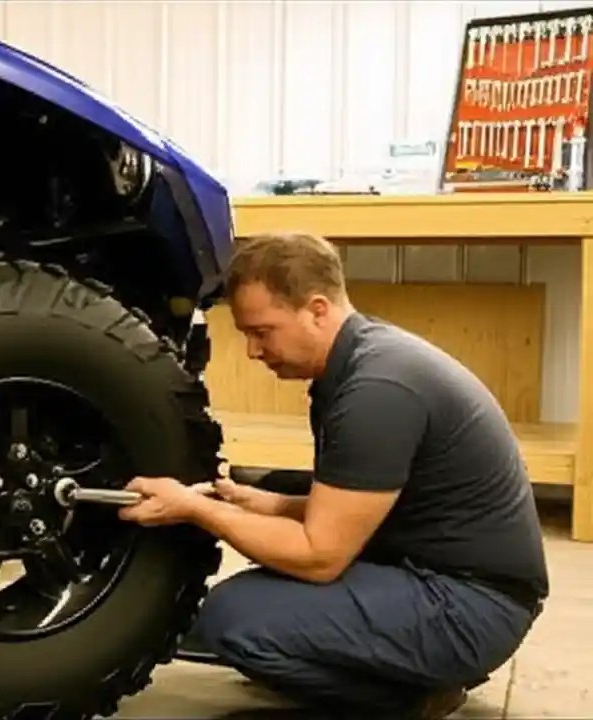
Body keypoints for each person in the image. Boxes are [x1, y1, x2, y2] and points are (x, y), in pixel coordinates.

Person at [119, 231, 549, 719]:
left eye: (262, 331)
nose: (254, 352)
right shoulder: (359, 363)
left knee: (231, 620)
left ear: (317, 309)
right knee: (264, 528)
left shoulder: (377, 390)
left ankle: (410, 697)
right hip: (439, 574)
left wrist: (196, 508)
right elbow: (375, 508)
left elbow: (319, 556)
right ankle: (417, 668)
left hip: (470, 606)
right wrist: (268, 504)